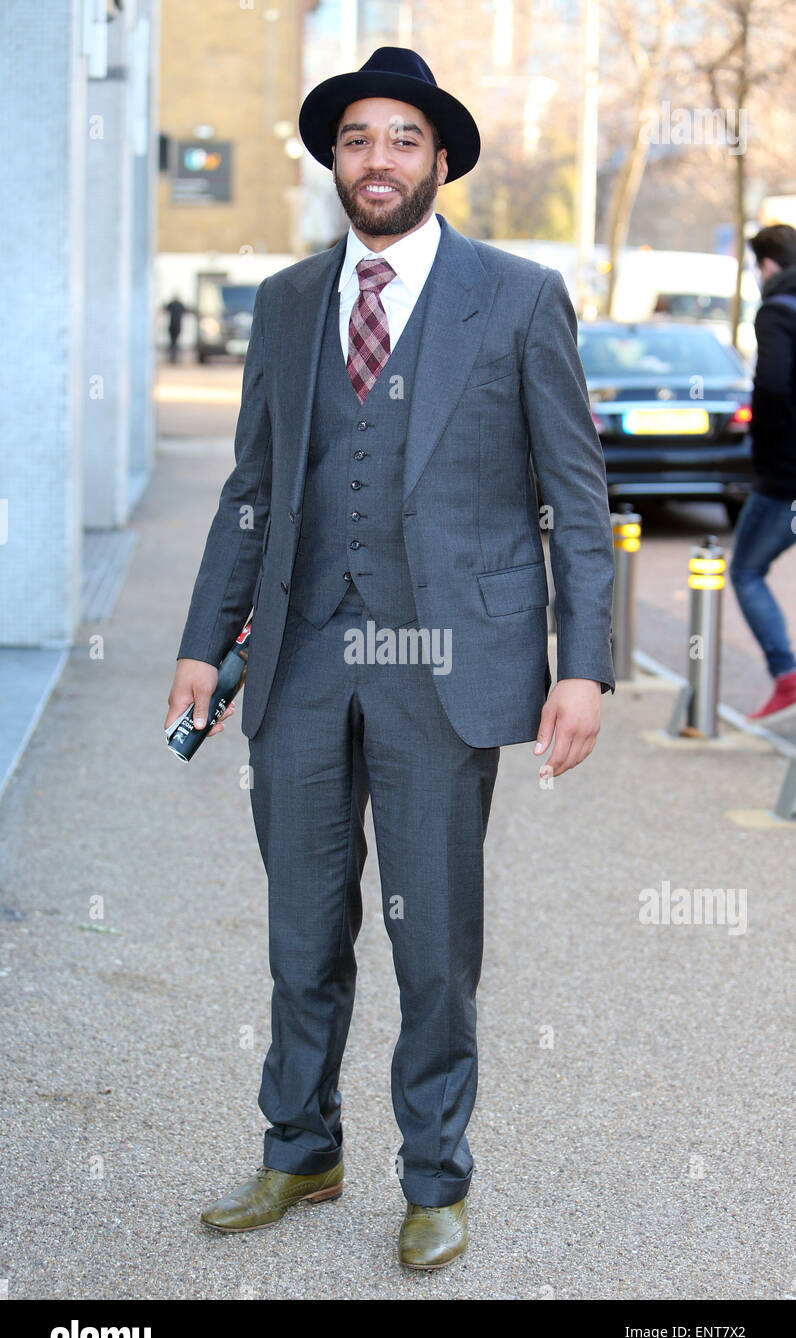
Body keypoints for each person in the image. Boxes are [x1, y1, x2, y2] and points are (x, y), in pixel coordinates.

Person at [165, 48, 615, 1270]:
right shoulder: (290, 299)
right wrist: (205, 646)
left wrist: (584, 666)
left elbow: (577, 499)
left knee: (432, 937)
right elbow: (253, 488)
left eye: (403, 139)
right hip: (304, 655)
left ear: (440, 159)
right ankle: (299, 1148)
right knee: (301, 927)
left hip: (445, 665)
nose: (379, 159)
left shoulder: (519, 296)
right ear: (334, 159)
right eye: (358, 138)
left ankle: (434, 1176)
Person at [729, 224, 796, 722]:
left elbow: (771, 386)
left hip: (786, 475)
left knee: (747, 570)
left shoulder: (776, 311)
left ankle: (786, 676)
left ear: (768, 264)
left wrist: (768, 460)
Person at [163, 295, 188, 363]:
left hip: (172, 325)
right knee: (176, 342)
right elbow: (186, 311)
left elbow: (165, 309)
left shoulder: (171, 304)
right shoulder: (180, 304)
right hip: (178, 325)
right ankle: (175, 358)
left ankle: (172, 357)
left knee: (172, 342)